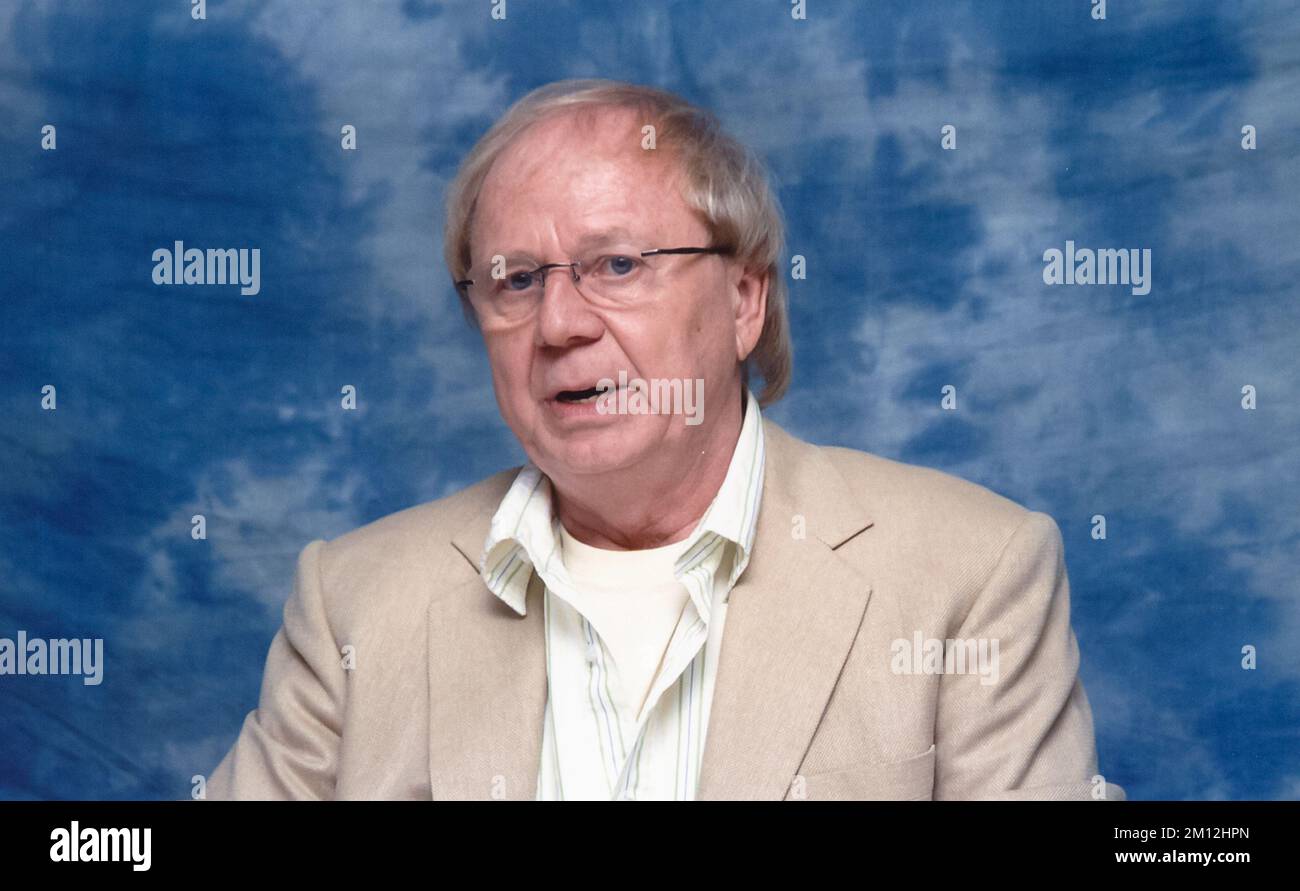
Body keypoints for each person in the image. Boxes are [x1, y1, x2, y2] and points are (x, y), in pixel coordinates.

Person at [207, 79, 1123, 801]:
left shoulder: (969, 572)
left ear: (743, 302)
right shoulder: (354, 603)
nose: (559, 321)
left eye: (618, 264)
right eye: (515, 279)